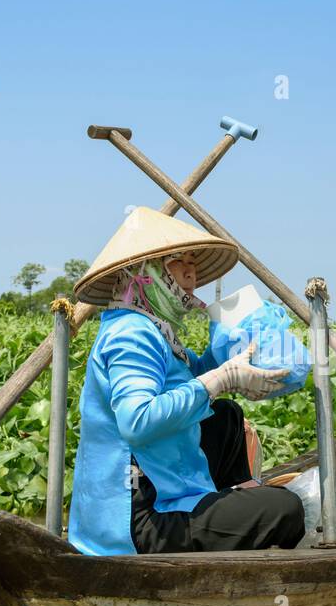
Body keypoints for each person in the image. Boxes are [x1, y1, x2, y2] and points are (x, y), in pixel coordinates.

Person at [67, 207, 307, 556]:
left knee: (224, 415)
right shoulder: (131, 335)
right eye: (180, 264)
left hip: (165, 483)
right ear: (145, 272)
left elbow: (196, 376)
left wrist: (233, 350)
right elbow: (137, 422)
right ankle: (219, 525)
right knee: (286, 510)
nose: (192, 275)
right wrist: (219, 379)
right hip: (136, 519)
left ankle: (224, 505)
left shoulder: (156, 331)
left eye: (194, 265)